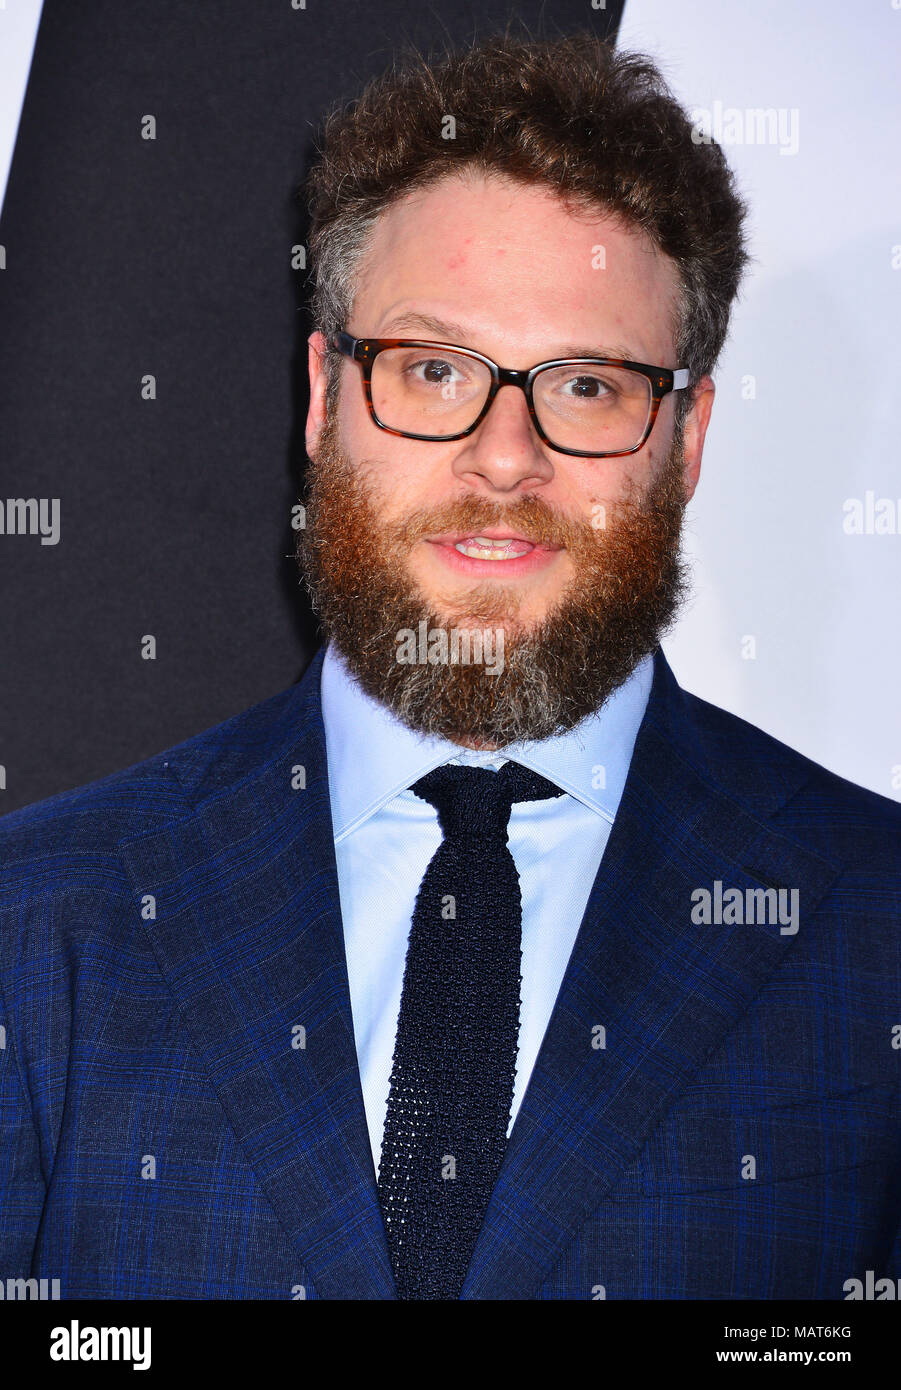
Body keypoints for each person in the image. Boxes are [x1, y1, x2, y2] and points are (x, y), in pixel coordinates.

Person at [1, 32, 898, 1302]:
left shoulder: (876, 933)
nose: (503, 456)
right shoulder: (39, 922)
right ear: (324, 395)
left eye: (586, 386)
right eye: (434, 370)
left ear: (685, 439)